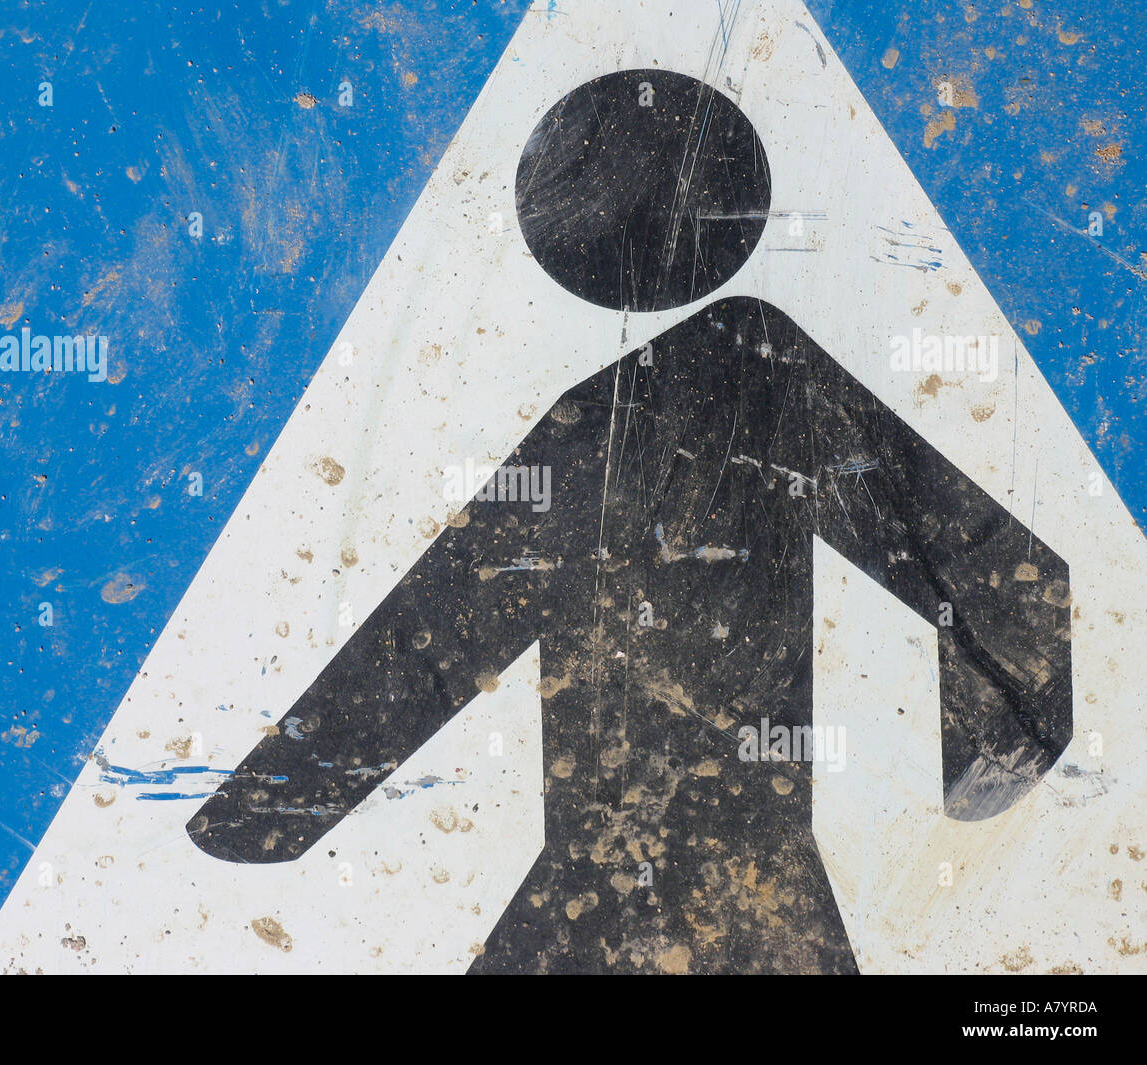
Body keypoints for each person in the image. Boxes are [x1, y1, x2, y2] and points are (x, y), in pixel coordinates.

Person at [189, 70, 1072, 974]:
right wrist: (996, 743)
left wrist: (268, 811)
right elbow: (438, 624)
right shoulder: (685, 388)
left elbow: (438, 628)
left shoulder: (713, 382)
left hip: (664, 886)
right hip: (690, 887)